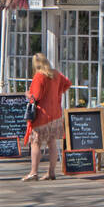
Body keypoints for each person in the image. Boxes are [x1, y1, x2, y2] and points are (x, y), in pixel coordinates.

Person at [23, 53, 71, 181]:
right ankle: (51, 172)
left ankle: (33, 172)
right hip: (55, 114)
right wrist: (57, 94)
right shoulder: (55, 74)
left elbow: (36, 96)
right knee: (52, 142)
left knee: (35, 143)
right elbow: (67, 83)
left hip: (42, 115)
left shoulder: (39, 76)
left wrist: (28, 95)